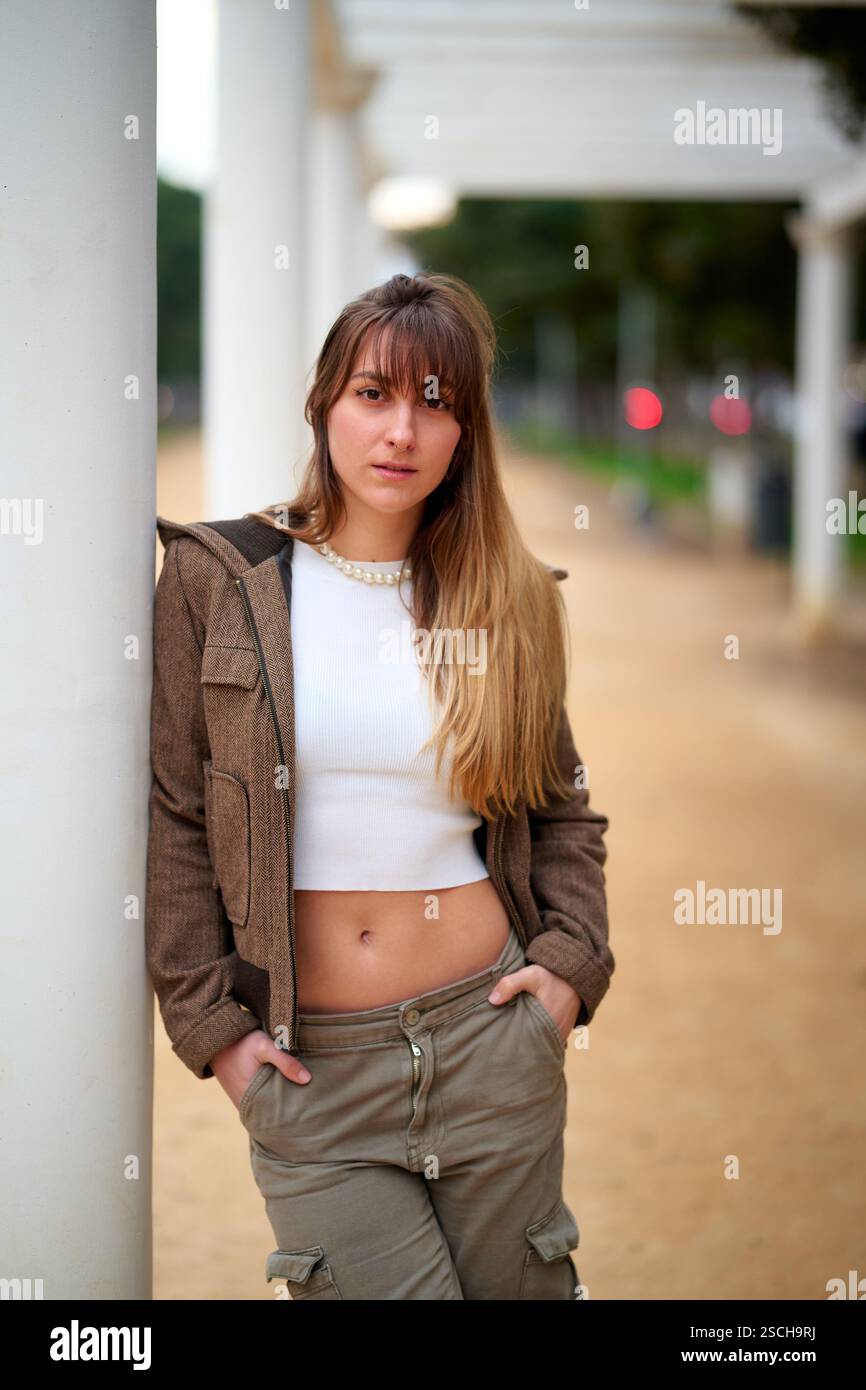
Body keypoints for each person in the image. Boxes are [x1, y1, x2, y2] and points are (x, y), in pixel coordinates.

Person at [146, 271, 614, 1300]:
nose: (399, 429)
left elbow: (560, 807)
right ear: (323, 405)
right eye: (372, 394)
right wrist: (212, 1029)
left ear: (463, 431)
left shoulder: (509, 599)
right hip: (315, 1069)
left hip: (491, 1037)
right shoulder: (219, 578)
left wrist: (567, 973)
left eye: (433, 401)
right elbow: (177, 813)